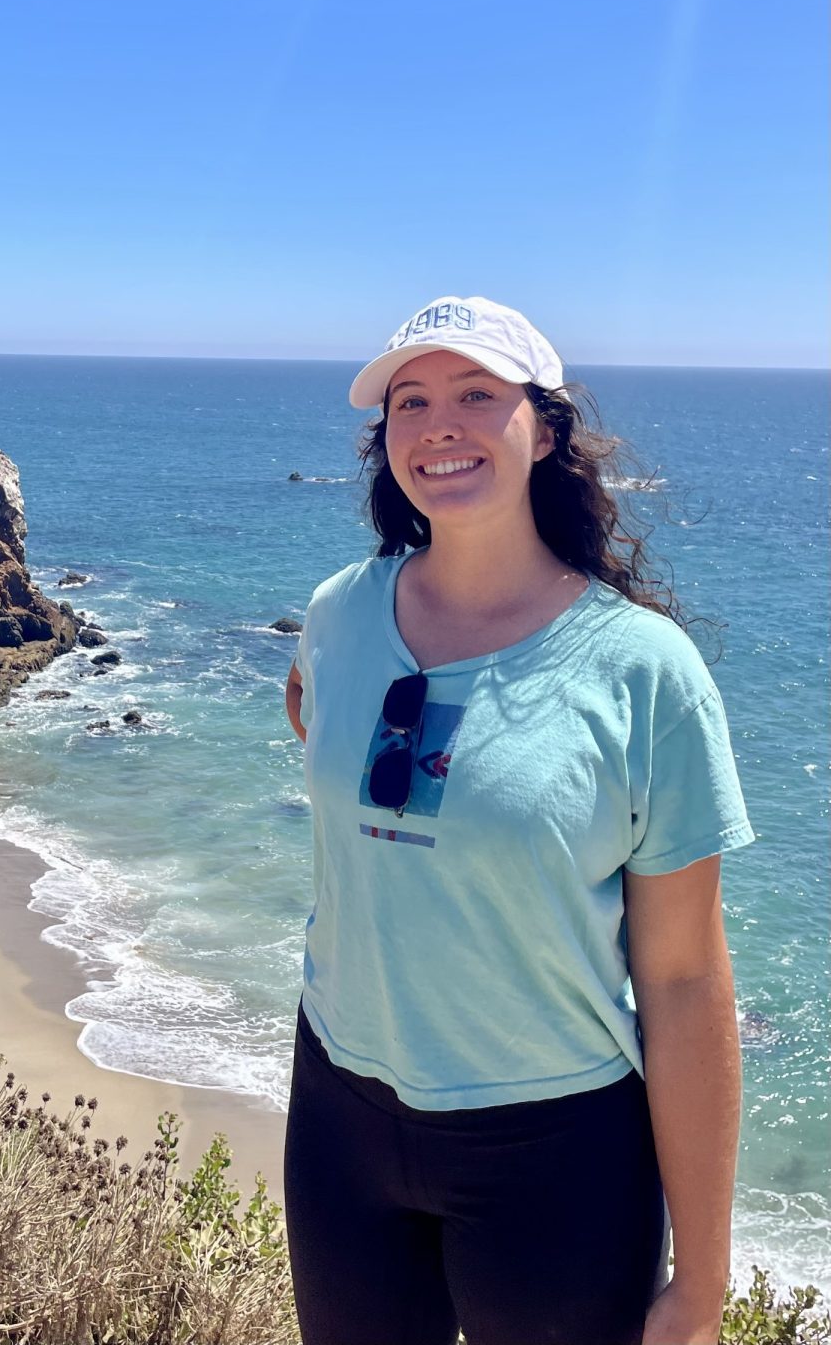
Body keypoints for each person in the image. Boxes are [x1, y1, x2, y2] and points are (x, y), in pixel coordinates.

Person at [283, 296, 753, 1345]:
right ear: (387, 440)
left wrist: (704, 1282)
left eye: (476, 396)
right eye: (411, 402)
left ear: (543, 431)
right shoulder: (338, 614)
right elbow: (316, 727)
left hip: (553, 1156)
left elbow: (681, 981)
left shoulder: (643, 673)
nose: (438, 424)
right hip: (340, 1118)